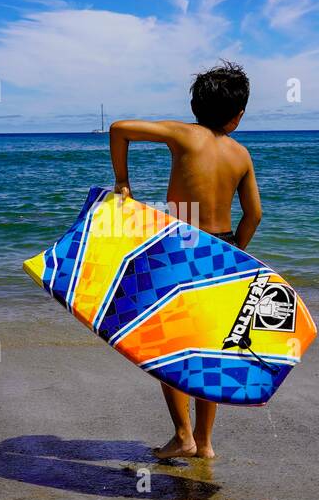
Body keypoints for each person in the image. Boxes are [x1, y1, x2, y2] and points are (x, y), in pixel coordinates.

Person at [108, 61, 262, 459]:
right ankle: (206, 442)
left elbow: (119, 128)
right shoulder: (241, 154)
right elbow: (254, 214)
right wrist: (235, 253)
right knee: (209, 349)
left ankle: (183, 436)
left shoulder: (182, 133)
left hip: (181, 247)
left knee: (171, 346)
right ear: (238, 114)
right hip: (221, 251)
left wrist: (123, 181)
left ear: (195, 105)